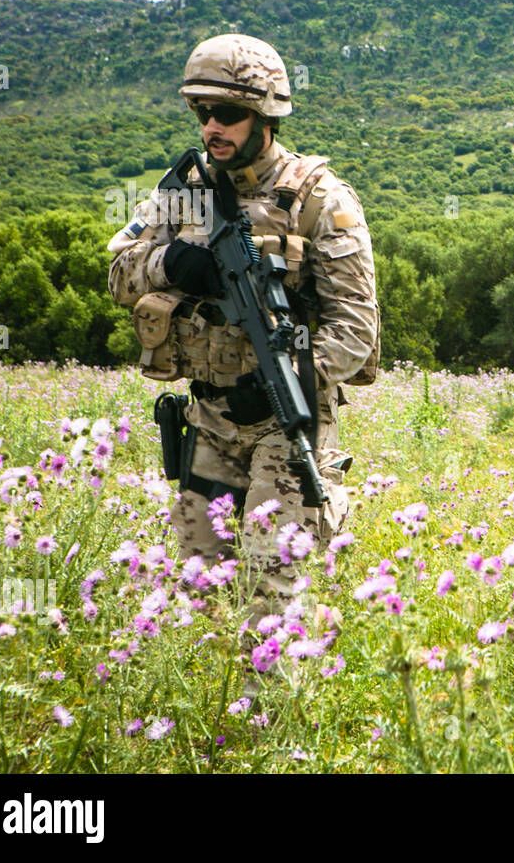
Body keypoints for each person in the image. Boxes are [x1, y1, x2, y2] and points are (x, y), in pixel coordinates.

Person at [108, 34, 378, 639]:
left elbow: (356, 328)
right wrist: (170, 263)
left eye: (226, 113)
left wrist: (282, 382)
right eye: (200, 112)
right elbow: (118, 272)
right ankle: (211, 726)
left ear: (266, 115)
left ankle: (273, 728)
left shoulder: (321, 200)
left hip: (286, 422)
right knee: (197, 592)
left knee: (271, 601)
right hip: (209, 420)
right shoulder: (180, 193)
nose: (211, 126)